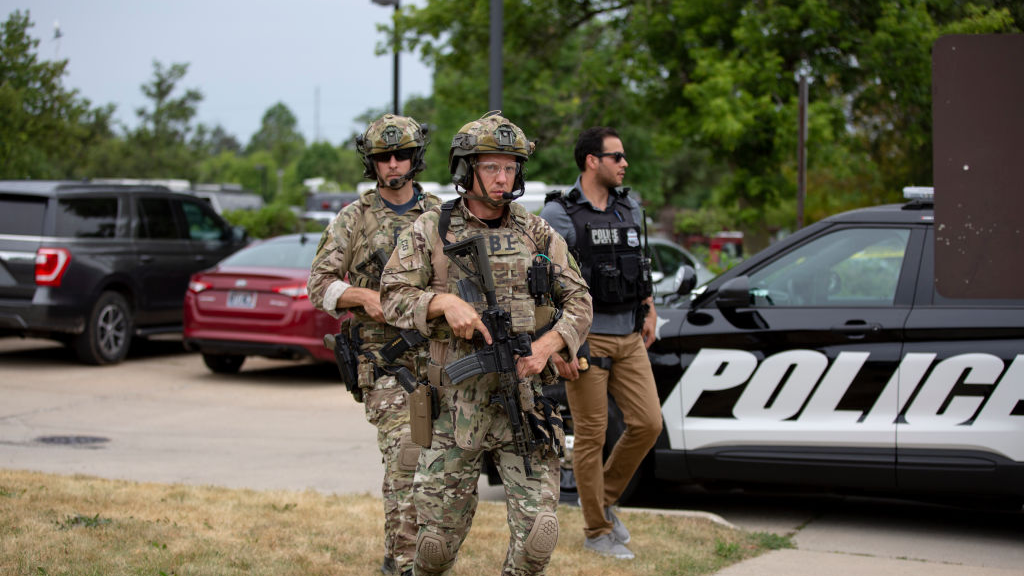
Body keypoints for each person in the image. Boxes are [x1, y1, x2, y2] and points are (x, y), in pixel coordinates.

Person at [379, 111, 592, 576]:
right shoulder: (432, 230)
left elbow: (579, 299)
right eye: (492, 167)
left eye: (510, 167)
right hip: (452, 407)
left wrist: (548, 345)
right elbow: (392, 295)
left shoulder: (535, 232)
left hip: (524, 402)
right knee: (434, 547)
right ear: (466, 169)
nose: (502, 178)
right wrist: (442, 303)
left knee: (538, 538)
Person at [308, 113, 441, 576]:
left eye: (402, 154)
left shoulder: (440, 214)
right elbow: (318, 285)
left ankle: (415, 553)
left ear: (415, 157)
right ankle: (403, 564)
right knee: (407, 456)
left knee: (439, 469)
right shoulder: (355, 218)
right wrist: (364, 298)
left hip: (440, 357)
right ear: (372, 162)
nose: (393, 163)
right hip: (386, 362)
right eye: (384, 157)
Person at [538, 126, 662, 560]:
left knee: (648, 424)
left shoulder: (629, 206)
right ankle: (597, 530)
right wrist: (559, 344)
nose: (624, 163)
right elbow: (544, 285)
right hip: (586, 339)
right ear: (592, 161)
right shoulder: (559, 214)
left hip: (629, 335)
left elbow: (638, 262)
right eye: (617, 156)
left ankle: (602, 499)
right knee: (591, 435)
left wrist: (649, 307)